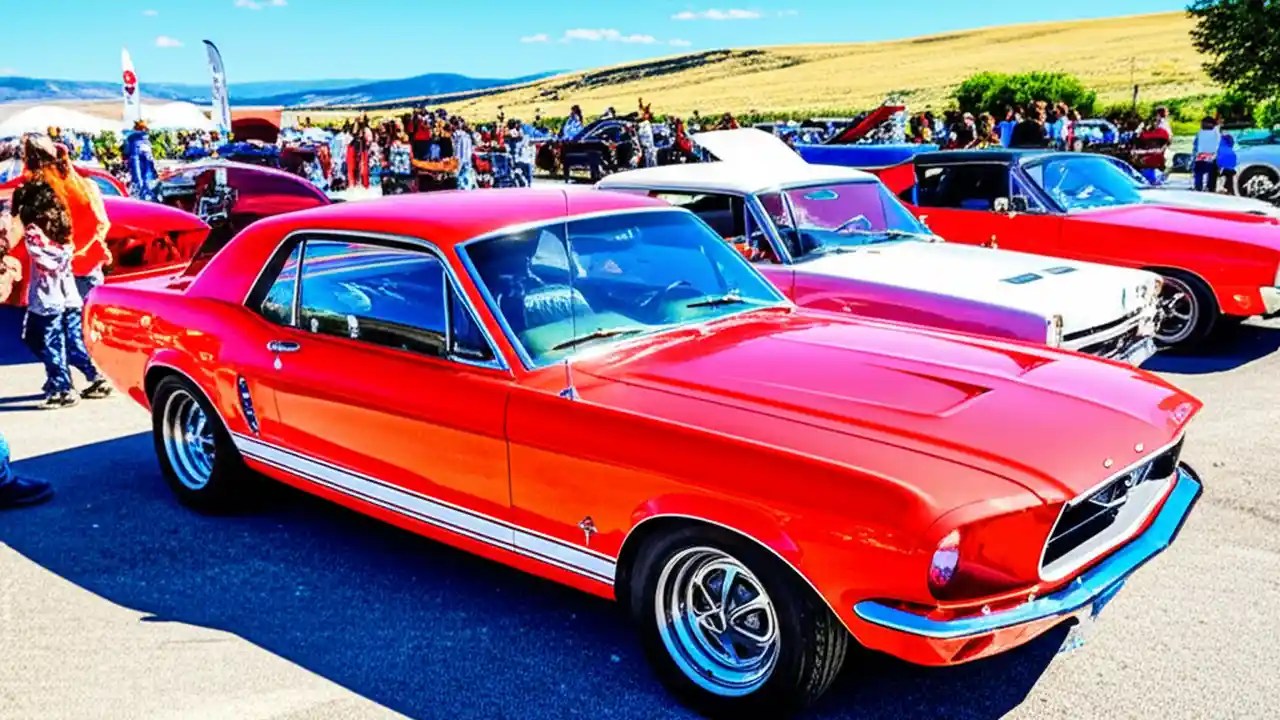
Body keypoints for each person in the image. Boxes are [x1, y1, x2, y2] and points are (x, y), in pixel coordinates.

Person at [12, 180, 110, 408]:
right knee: (70, 342)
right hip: (69, 297)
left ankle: (62, 388)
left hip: (48, 299)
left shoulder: (35, 232)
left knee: (44, 341)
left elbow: (45, 259)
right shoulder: (62, 226)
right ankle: (93, 377)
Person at [1192, 116, 1222, 192]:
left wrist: (1194, 155)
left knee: (1198, 172)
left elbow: (1195, 144)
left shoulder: (1200, 132)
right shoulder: (1216, 132)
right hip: (1212, 156)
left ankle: (1198, 187)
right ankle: (1211, 187)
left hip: (1201, 156)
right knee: (1212, 173)